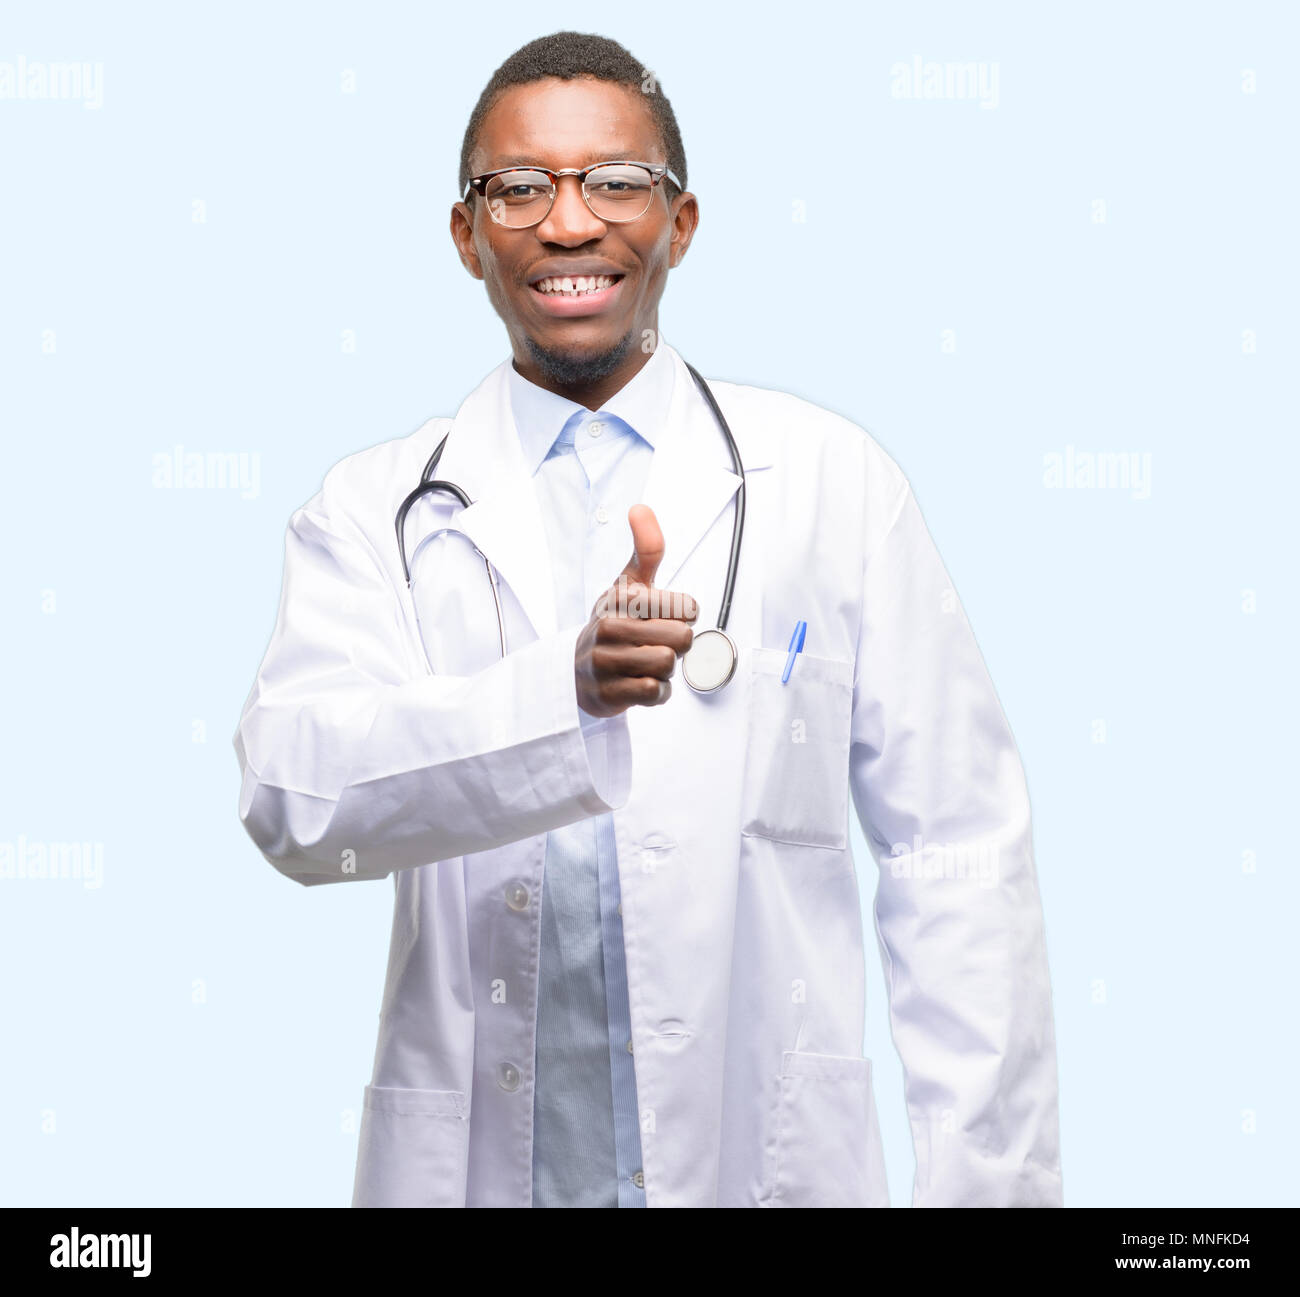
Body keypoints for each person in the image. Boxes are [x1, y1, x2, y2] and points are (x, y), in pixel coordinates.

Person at [234, 30, 1063, 1209]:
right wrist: (556, 699)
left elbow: (957, 856)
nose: (569, 224)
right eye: (518, 188)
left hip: (759, 1161)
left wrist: (992, 1195)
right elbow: (297, 807)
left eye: (616, 182)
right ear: (466, 236)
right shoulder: (373, 511)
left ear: (680, 224)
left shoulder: (831, 482)